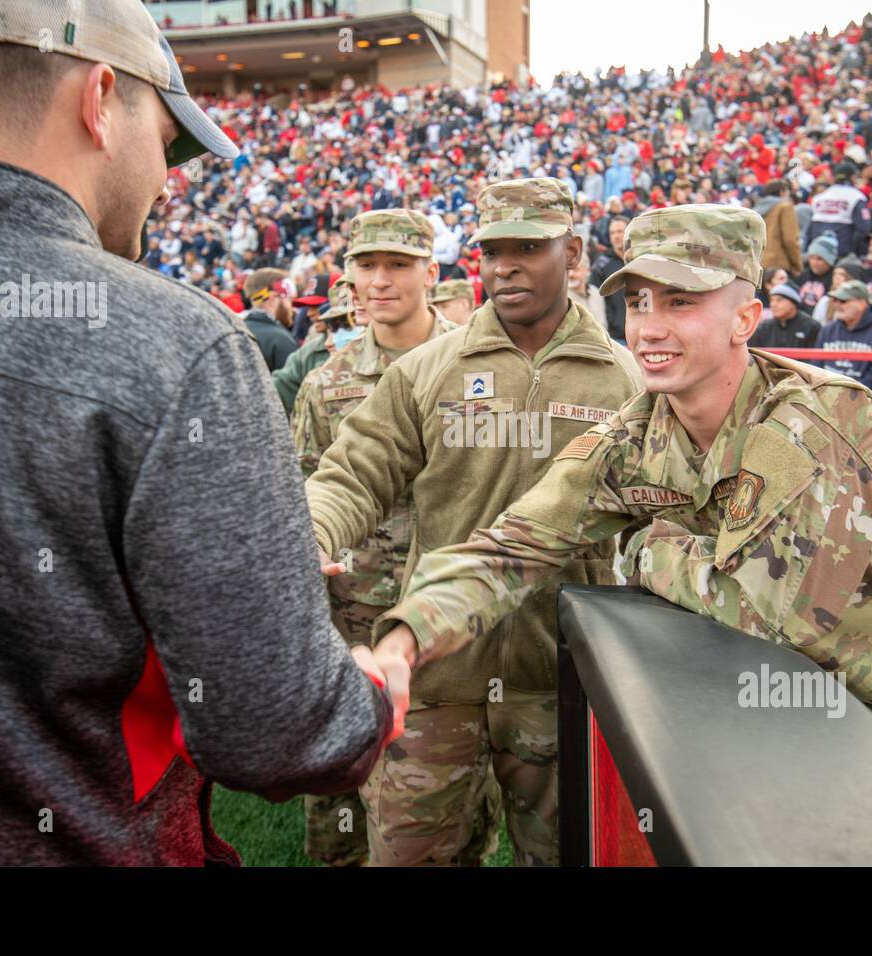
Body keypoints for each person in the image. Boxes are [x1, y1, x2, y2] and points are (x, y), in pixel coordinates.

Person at [0, 0, 401, 865]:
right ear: (100, 97)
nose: (170, 179)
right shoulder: (176, 346)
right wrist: (371, 695)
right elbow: (281, 731)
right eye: (170, 140)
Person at [369, 203, 872, 798]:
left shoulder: (820, 422)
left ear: (744, 318)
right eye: (640, 302)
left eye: (680, 302)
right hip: (790, 740)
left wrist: (648, 549)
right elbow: (514, 543)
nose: (649, 328)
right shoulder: (637, 431)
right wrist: (406, 635)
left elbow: (775, 617)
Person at [304, 179, 642, 867]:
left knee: (565, 857)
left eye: (528, 248)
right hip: (434, 669)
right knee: (409, 855)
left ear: (572, 253)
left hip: (561, 678)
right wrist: (307, 537)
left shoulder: (623, 380)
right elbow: (351, 474)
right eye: (493, 250)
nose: (506, 265)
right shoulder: (431, 371)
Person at [290, 210, 497, 867]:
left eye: (398, 265)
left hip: (448, 623)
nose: (380, 280)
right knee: (341, 808)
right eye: (367, 266)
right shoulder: (328, 383)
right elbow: (306, 495)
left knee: (447, 812)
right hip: (355, 623)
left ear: (431, 275)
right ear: (349, 276)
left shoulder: (479, 368)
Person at [272, 276, 356, 415]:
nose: (310, 313)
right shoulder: (309, 351)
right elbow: (281, 384)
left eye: (317, 306)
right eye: (308, 307)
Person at [814, 280, 872, 390]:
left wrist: (852, 393)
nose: (837, 305)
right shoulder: (828, 329)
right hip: (826, 391)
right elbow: (816, 365)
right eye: (835, 300)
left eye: (843, 301)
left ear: (862, 304)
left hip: (862, 395)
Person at [805, 161, 872, 257]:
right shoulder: (857, 197)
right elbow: (865, 227)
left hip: (816, 251)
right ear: (853, 177)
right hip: (842, 251)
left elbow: (809, 229)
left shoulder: (818, 197)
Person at [242, 267, 299, 372]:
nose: (292, 308)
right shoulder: (280, 339)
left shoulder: (237, 329)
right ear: (273, 298)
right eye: (289, 300)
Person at [590, 214, 629, 342]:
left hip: (644, 331)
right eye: (612, 233)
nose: (616, 236)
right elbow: (594, 297)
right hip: (616, 337)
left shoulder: (642, 259)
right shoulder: (601, 264)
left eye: (620, 231)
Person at [748, 282, 819, 349]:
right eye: (771, 300)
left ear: (793, 303)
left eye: (779, 300)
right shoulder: (764, 328)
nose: (773, 304)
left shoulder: (811, 327)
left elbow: (815, 358)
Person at [757, 179, 802, 275]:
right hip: (778, 264)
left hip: (757, 265)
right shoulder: (785, 207)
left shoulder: (755, 210)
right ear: (782, 192)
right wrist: (797, 265)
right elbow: (790, 240)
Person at [796, 234, 838, 311]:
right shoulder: (802, 275)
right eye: (812, 258)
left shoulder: (834, 279)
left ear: (829, 260)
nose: (815, 263)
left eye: (819, 259)